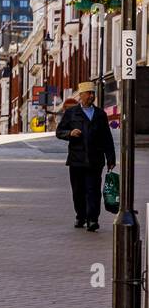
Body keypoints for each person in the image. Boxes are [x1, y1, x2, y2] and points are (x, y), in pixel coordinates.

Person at [56, 81, 116, 232]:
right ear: (81, 95)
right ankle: (80, 216)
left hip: (95, 160)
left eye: (93, 93)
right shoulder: (71, 113)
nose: (91, 96)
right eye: (88, 93)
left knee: (93, 190)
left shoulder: (100, 114)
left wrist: (111, 158)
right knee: (78, 190)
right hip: (77, 159)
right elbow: (59, 132)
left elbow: (107, 138)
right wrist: (70, 133)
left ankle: (92, 219)